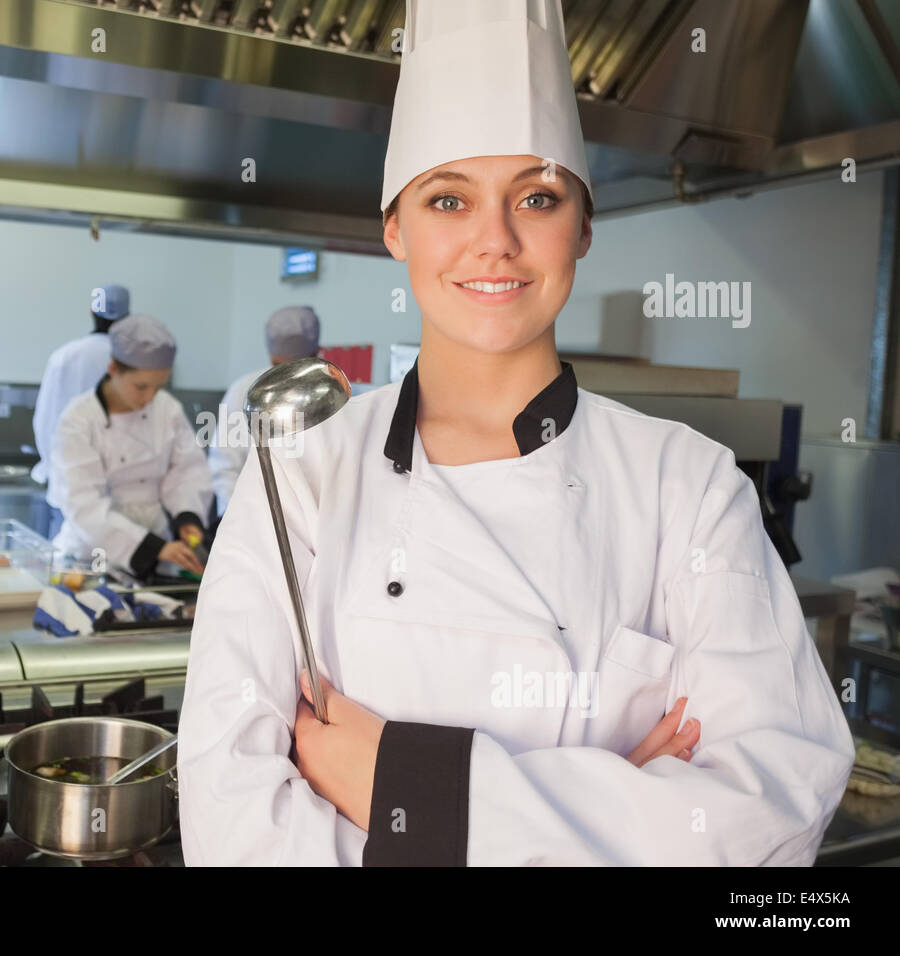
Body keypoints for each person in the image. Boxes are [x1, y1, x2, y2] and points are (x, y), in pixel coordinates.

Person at [177, 0, 854, 866]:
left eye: (536, 197)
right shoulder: (303, 479)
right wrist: (604, 795)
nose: (493, 242)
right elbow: (230, 829)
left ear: (581, 226)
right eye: (449, 199)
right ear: (396, 230)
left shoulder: (687, 486)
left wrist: (398, 785)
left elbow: (773, 812)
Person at [47, 314, 213, 580]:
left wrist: (187, 518)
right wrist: (152, 547)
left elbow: (187, 471)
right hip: (91, 556)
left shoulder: (168, 409)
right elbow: (84, 505)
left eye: (158, 387)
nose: (149, 398)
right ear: (113, 369)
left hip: (160, 556)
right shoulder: (78, 420)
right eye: (141, 387)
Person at [208, 306, 321, 518]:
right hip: (248, 514)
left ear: (316, 355)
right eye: (277, 365)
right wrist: (239, 518)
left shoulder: (332, 395)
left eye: (295, 367)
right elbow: (224, 466)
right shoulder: (243, 391)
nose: (284, 377)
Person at [31, 283, 130, 494]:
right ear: (127, 317)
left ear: (92, 311)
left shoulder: (64, 357)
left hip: (68, 486)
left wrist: (52, 468)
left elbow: (45, 422)